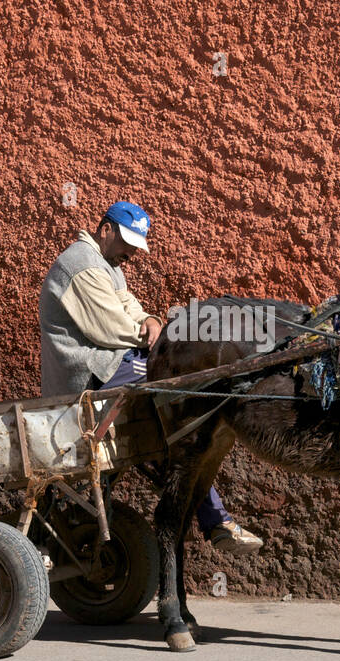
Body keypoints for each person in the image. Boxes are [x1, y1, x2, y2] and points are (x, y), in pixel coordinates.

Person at [38, 201, 263, 555]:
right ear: (105, 229)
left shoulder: (108, 265)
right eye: (126, 242)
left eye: (135, 245)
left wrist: (154, 319)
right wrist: (155, 338)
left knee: (181, 418)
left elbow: (131, 309)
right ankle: (214, 519)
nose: (130, 252)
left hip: (115, 362)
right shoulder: (80, 266)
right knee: (178, 392)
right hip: (90, 375)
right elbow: (111, 329)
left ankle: (212, 517)